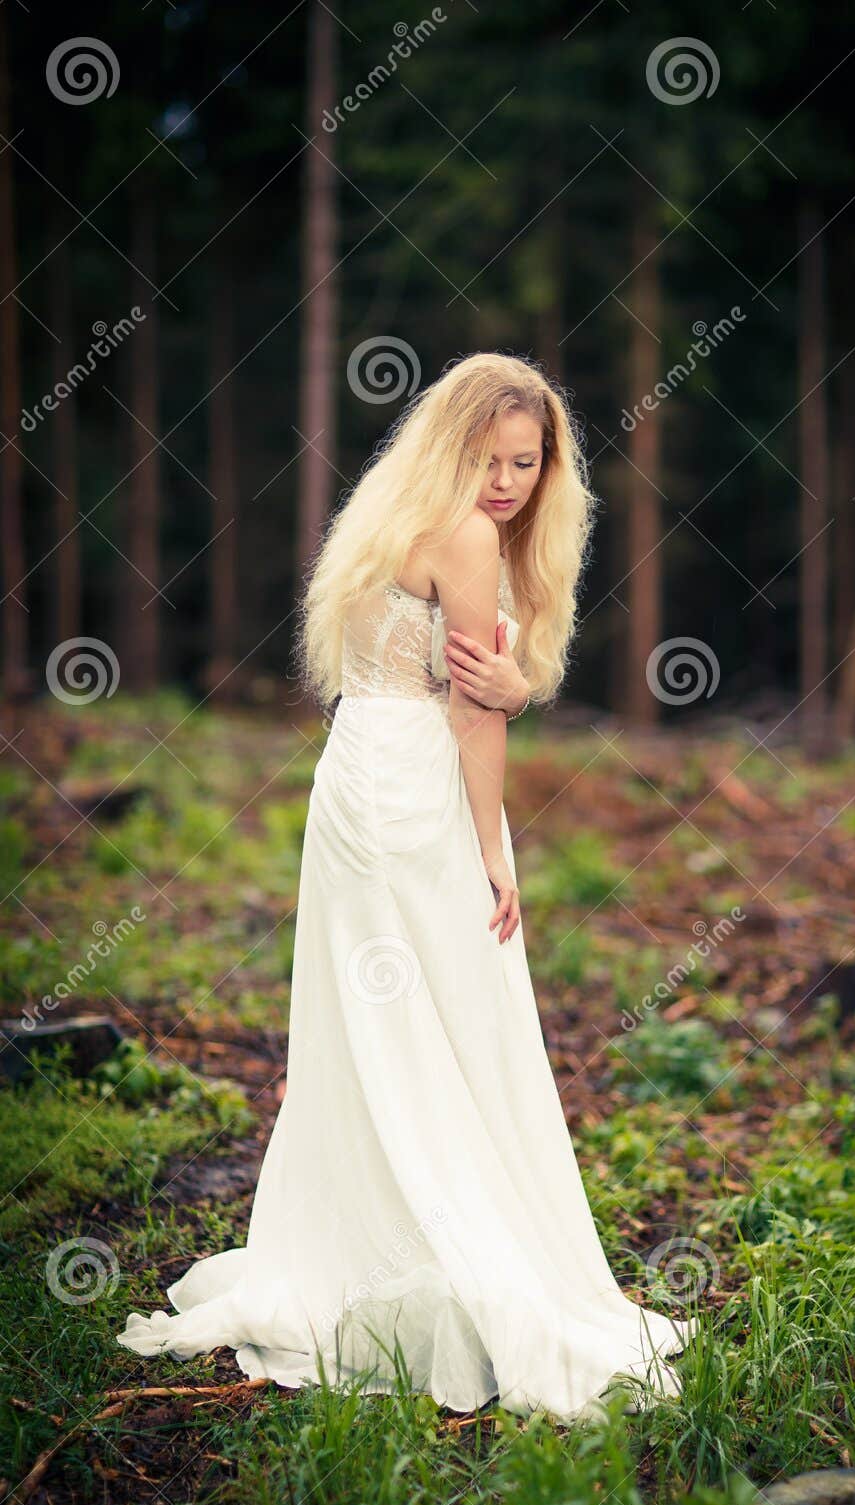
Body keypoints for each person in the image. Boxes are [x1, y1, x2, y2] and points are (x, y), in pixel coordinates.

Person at [117, 352, 697, 1421]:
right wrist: (489, 841)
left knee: (375, 1020)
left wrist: (509, 685)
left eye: (526, 462)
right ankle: (447, 1244)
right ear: (455, 445)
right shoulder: (469, 538)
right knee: (448, 1016)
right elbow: (475, 708)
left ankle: (364, 1242)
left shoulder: (387, 520)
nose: (508, 481)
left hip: (356, 774)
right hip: (418, 794)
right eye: (491, 457)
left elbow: (437, 677)